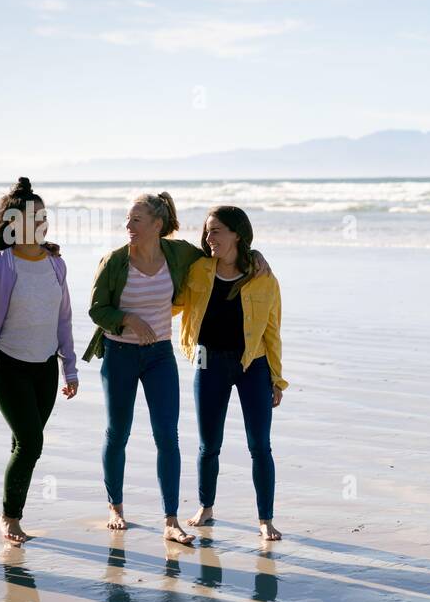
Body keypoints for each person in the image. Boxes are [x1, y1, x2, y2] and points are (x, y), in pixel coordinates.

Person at [83, 193, 269, 545]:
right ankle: (116, 507)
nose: (128, 226)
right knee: (117, 432)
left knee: (167, 435)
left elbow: (221, 255)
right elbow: (96, 309)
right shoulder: (114, 261)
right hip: (120, 354)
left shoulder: (178, 254)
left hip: (159, 356)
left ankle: (170, 520)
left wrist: (256, 256)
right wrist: (127, 319)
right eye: (127, 219)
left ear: (157, 225)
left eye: (136, 220)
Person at [0, 177, 79, 545]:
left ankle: (10, 511)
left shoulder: (55, 264)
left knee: (25, 442)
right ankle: (10, 518)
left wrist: (70, 366)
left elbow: (63, 318)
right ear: (12, 223)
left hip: (44, 368)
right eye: (31, 217)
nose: (40, 223)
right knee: (30, 443)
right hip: (7, 365)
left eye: (43, 217)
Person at [175, 206, 287, 540]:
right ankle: (205, 507)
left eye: (217, 231)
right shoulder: (198, 270)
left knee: (260, 446)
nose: (210, 238)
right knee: (209, 445)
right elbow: (172, 300)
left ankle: (265, 519)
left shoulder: (262, 277)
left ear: (237, 234)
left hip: (253, 365)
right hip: (208, 364)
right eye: (208, 232)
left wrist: (277, 378)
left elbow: (272, 329)